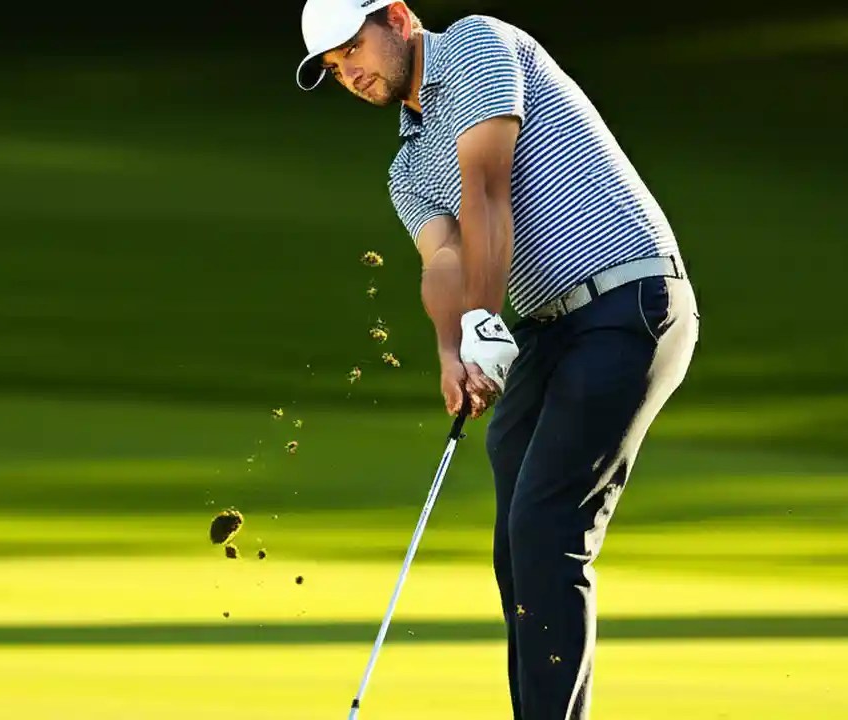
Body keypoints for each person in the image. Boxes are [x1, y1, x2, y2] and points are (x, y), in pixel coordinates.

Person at [293, 1, 701, 718]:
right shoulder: (407, 168)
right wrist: (453, 349)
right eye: (332, 67)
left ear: (397, 17)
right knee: (519, 540)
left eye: (352, 48)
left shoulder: (478, 44)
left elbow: (487, 189)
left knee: (548, 526)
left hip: (629, 298)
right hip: (551, 330)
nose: (348, 72)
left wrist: (484, 319)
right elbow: (444, 257)